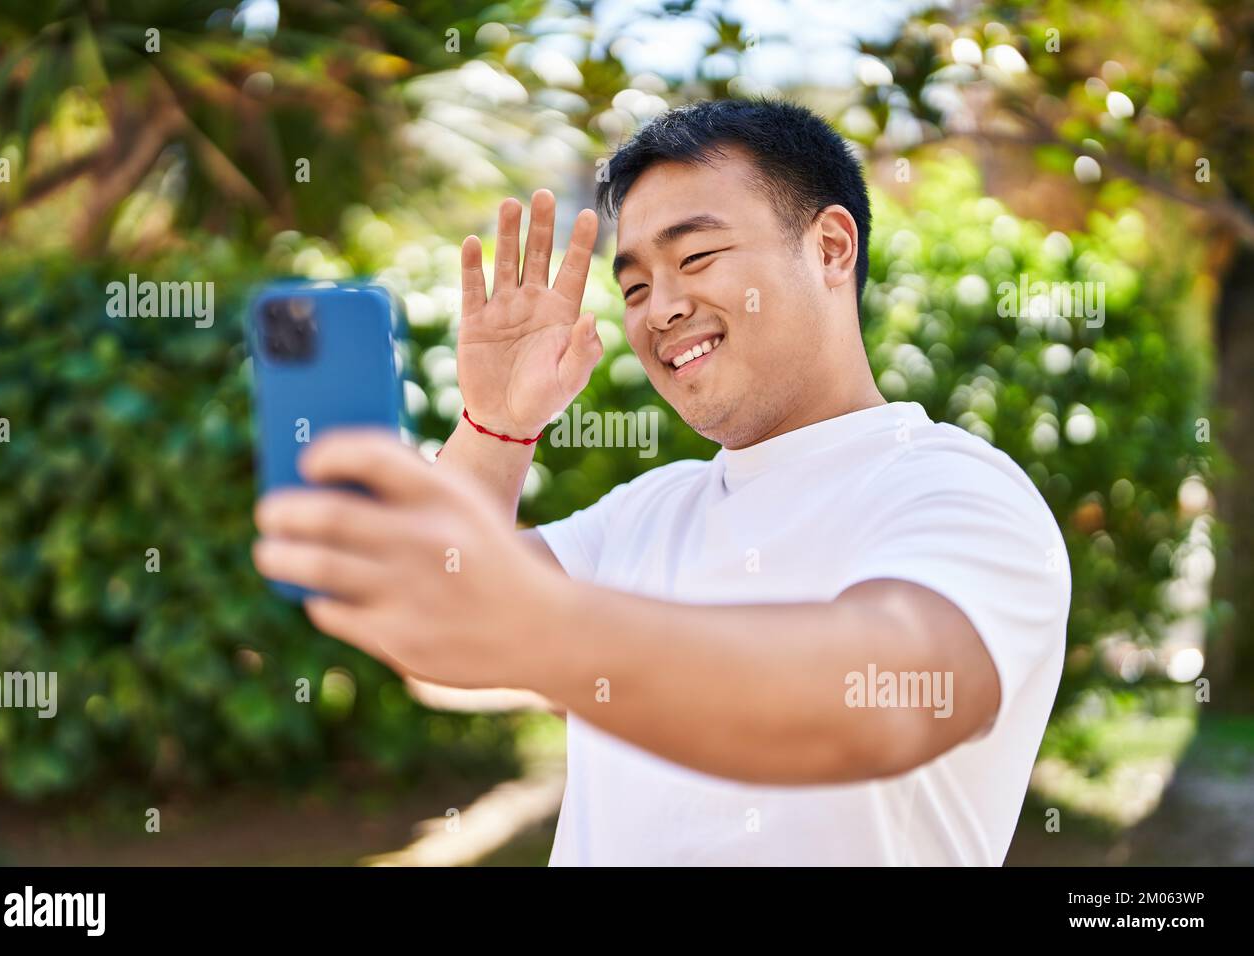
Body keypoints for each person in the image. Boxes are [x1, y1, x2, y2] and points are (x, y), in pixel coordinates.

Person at [251, 98, 1070, 866]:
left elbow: (876, 703)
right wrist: (497, 424)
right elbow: (433, 647)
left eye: (698, 257)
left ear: (829, 247)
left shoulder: (960, 492)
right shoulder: (646, 512)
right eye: (635, 285)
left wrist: (533, 620)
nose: (660, 309)